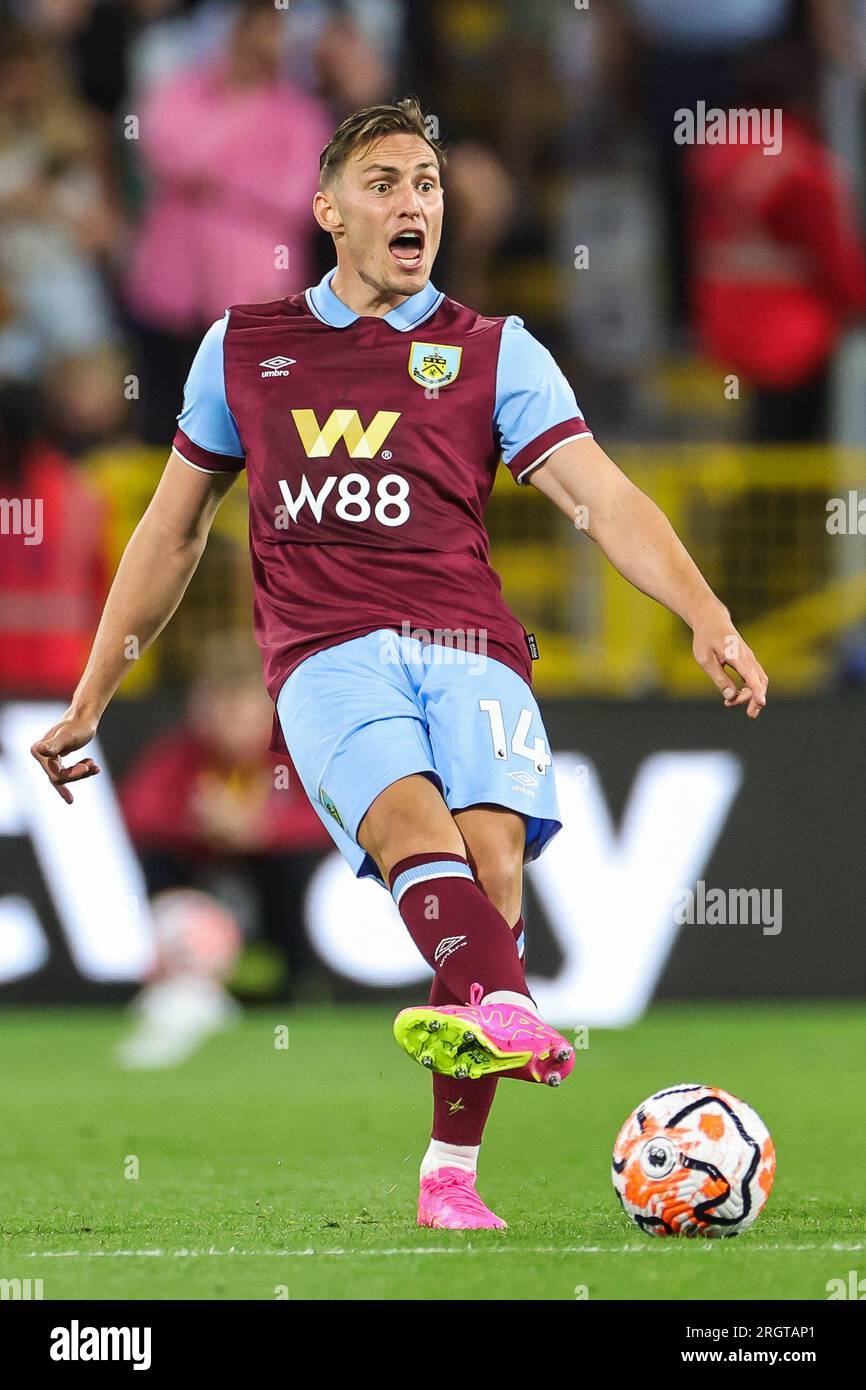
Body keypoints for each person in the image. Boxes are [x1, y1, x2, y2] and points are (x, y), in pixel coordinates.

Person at [30, 98, 768, 1232]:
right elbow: (170, 533)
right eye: (382, 183)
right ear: (326, 211)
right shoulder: (243, 345)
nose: (411, 201)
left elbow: (599, 497)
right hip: (325, 652)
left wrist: (702, 612)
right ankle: (508, 1003)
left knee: (493, 867)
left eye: (424, 183)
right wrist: (92, 693)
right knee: (414, 837)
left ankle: (448, 1172)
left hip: (469, 640)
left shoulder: (491, 350)